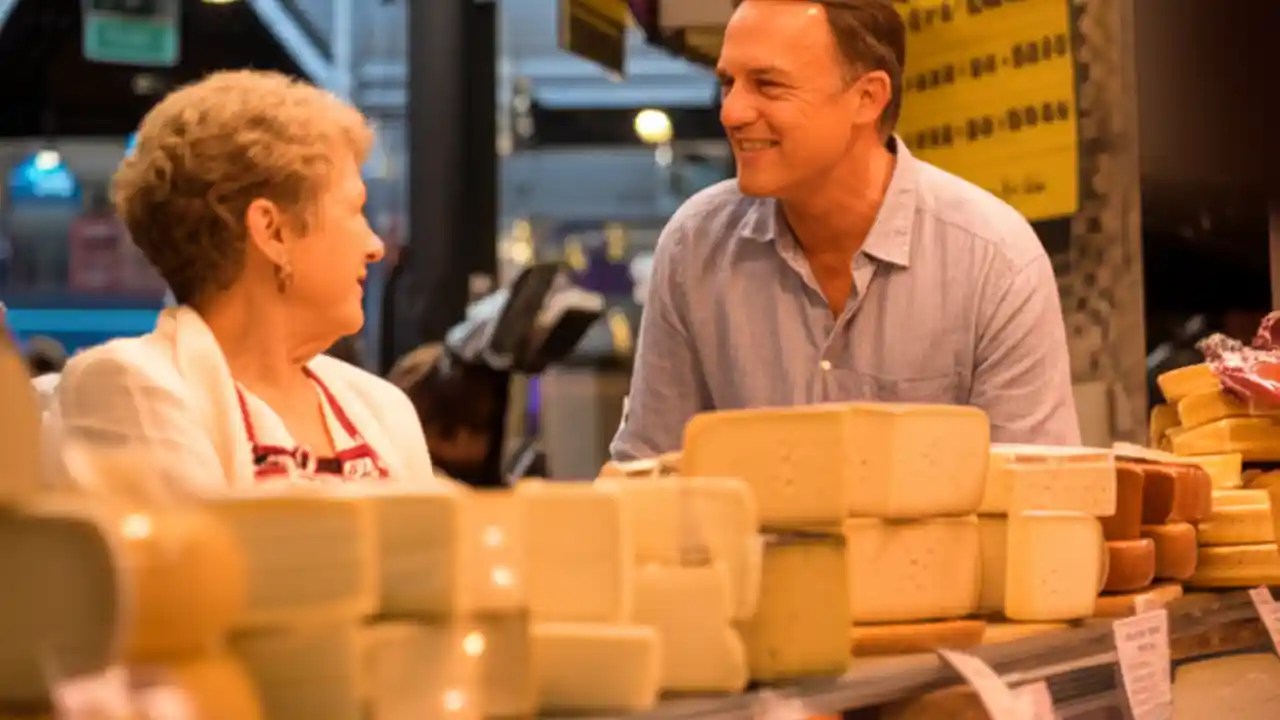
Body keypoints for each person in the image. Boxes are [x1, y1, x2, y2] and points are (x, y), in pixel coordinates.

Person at [610, 0, 1080, 461]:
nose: (731, 113)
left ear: (867, 97)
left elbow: (1036, 501)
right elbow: (648, 476)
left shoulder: (994, 261)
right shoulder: (695, 247)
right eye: (728, 83)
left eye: (768, 85)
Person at [45, 70, 435, 496]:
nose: (375, 246)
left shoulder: (381, 407)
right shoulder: (126, 384)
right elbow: (209, 558)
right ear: (272, 231)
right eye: (355, 210)